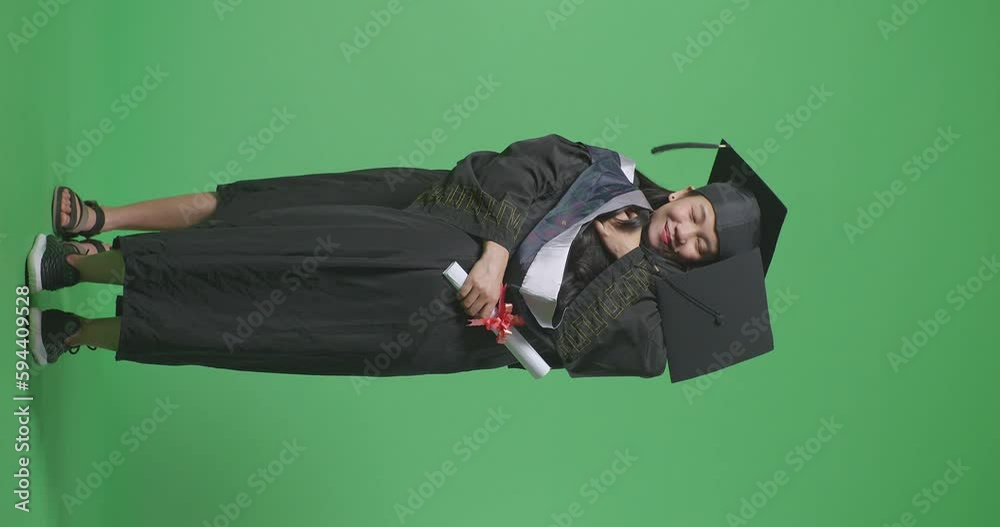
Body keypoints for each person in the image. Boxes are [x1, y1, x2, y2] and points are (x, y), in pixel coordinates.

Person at [24, 134, 782, 379]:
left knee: (265, 327)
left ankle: (78, 333)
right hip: (419, 217)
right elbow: (508, 166)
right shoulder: (604, 172)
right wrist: (493, 252)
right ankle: (88, 254)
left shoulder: (652, 319)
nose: (683, 231)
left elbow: (579, 341)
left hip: (435, 324)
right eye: (694, 214)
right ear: (687, 189)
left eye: (699, 245)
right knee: (262, 227)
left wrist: (653, 268)